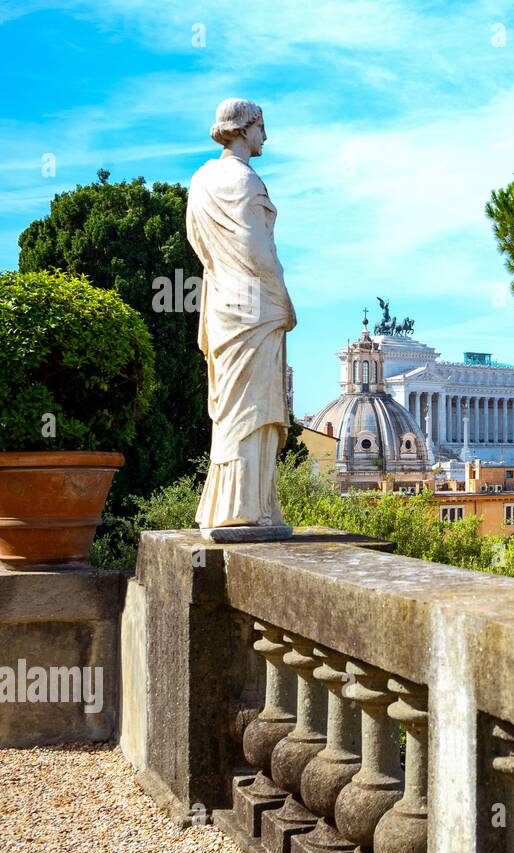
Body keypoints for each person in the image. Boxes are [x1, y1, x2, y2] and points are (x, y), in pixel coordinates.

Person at [186, 98, 296, 531]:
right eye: (262, 127)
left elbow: (197, 242)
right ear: (244, 128)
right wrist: (282, 298)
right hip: (254, 304)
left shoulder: (201, 179)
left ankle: (232, 505)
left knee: (233, 408)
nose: (265, 136)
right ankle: (246, 509)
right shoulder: (246, 181)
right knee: (253, 405)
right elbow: (257, 251)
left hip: (220, 301)